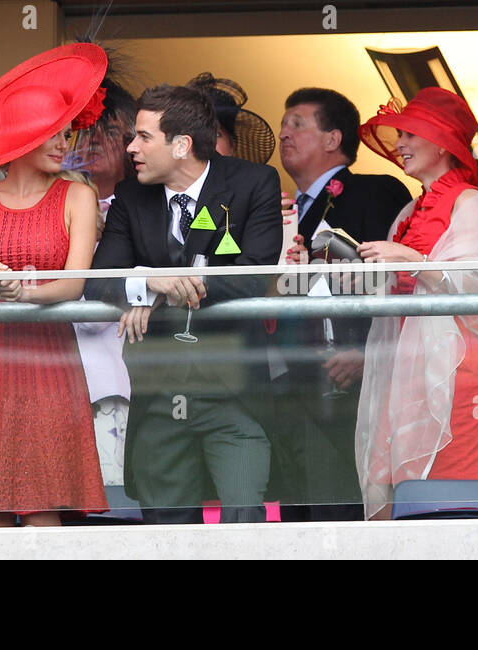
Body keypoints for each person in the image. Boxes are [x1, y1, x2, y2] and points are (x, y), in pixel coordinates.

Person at [85, 84, 282, 524]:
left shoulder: (253, 183)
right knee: (166, 536)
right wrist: (150, 281)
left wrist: (166, 291)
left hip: (234, 394)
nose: (130, 147)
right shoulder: (131, 195)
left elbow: (252, 278)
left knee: (244, 527)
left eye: (142, 137)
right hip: (158, 395)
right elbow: (99, 283)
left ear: (181, 145)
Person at [0, 43, 107, 526]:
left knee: (42, 508)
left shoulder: (78, 196)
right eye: (51, 134)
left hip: (49, 360)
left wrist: (22, 293)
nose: (63, 143)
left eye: (67, 133)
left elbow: (73, 286)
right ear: (19, 139)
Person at [353, 87, 478, 520]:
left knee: (455, 494)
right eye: (400, 134)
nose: (400, 144)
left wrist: (413, 260)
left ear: (441, 142)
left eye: (410, 134)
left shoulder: (471, 202)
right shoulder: (409, 209)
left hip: (457, 363)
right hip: (404, 360)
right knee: (394, 479)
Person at [271, 87, 412, 522]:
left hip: (354, 379)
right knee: (297, 510)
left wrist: (370, 354)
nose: (283, 133)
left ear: (333, 139)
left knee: (346, 508)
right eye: (283, 124)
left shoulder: (376, 191)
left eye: (297, 123)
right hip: (291, 384)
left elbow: (398, 282)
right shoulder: (281, 208)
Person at [66, 68, 139, 487]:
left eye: (108, 130)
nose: (92, 141)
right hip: (45, 372)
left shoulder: (144, 210)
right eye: (80, 131)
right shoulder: (46, 203)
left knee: (111, 507)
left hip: (114, 378)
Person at [187, 72, 276, 164]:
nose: (206, 142)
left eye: (217, 134)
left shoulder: (263, 177)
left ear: (232, 145)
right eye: (195, 134)